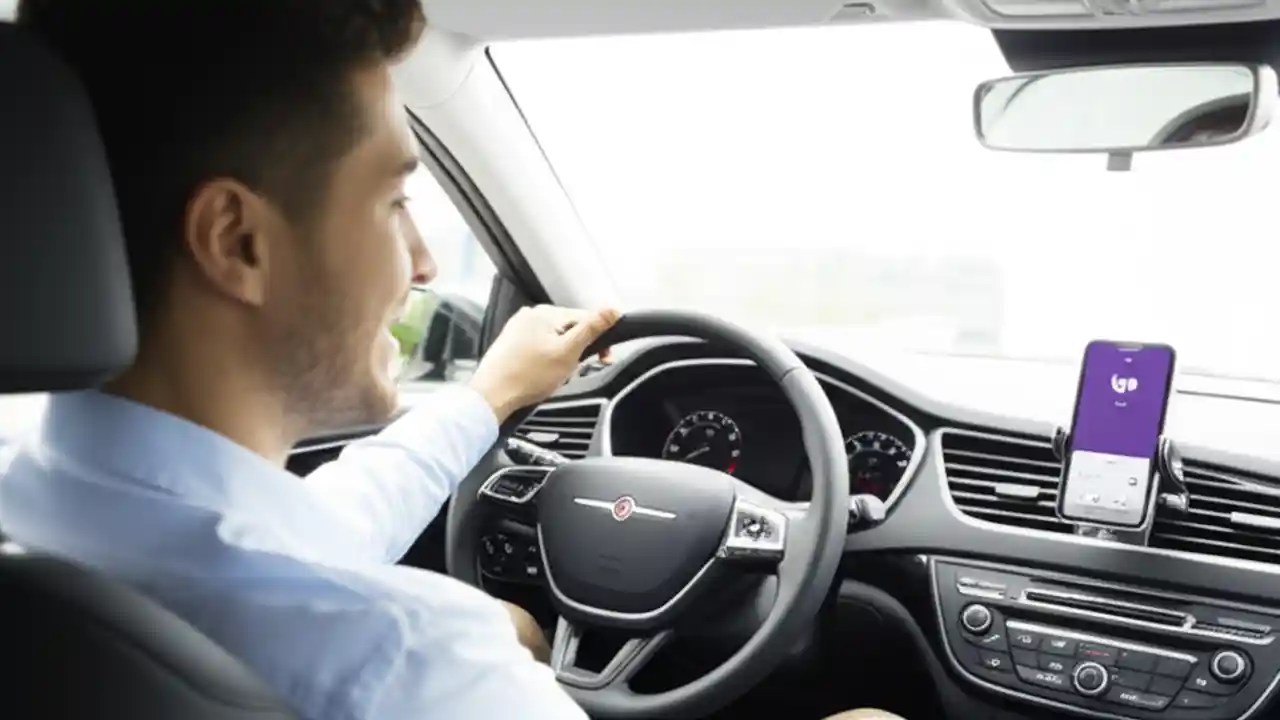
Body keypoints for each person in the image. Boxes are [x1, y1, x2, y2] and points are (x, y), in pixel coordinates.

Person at [0, 2, 904, 719]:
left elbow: (301, 531)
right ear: (237, 241)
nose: (425, 263)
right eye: (394, 201)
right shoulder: (406, 658)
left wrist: (487, 399)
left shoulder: (41, 511)